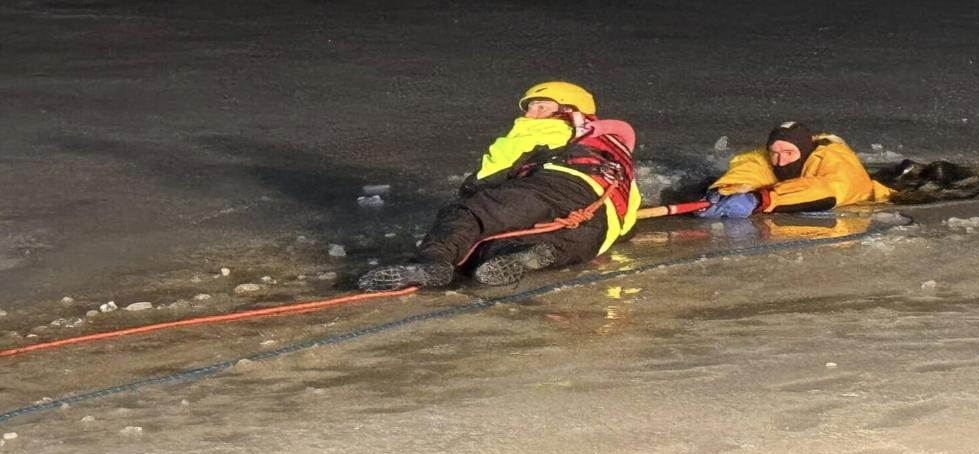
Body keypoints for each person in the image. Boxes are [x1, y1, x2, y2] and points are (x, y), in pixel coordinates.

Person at [359, 81, 642, 290]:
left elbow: (487, 178)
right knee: (505, 245)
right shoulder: (616, 153)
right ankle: (522, 255)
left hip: (546, 189)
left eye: (541, 106)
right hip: (594, 230)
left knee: (469, 214)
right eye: (530, 106)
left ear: (568, 111)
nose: (531, 113)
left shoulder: (546, 128)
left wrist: (471, 205)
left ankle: (431, 262)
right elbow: (627, 225)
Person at [695, 122, 892, 218]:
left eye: (789, 153)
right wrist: (723, 190)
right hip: (794, 188)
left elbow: (830, 189)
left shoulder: (834, 159)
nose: (781, 161)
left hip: (870, 192)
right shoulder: (768, 157)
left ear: (804, 152)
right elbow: (751, 168)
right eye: (775, 153)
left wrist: (761, 199)